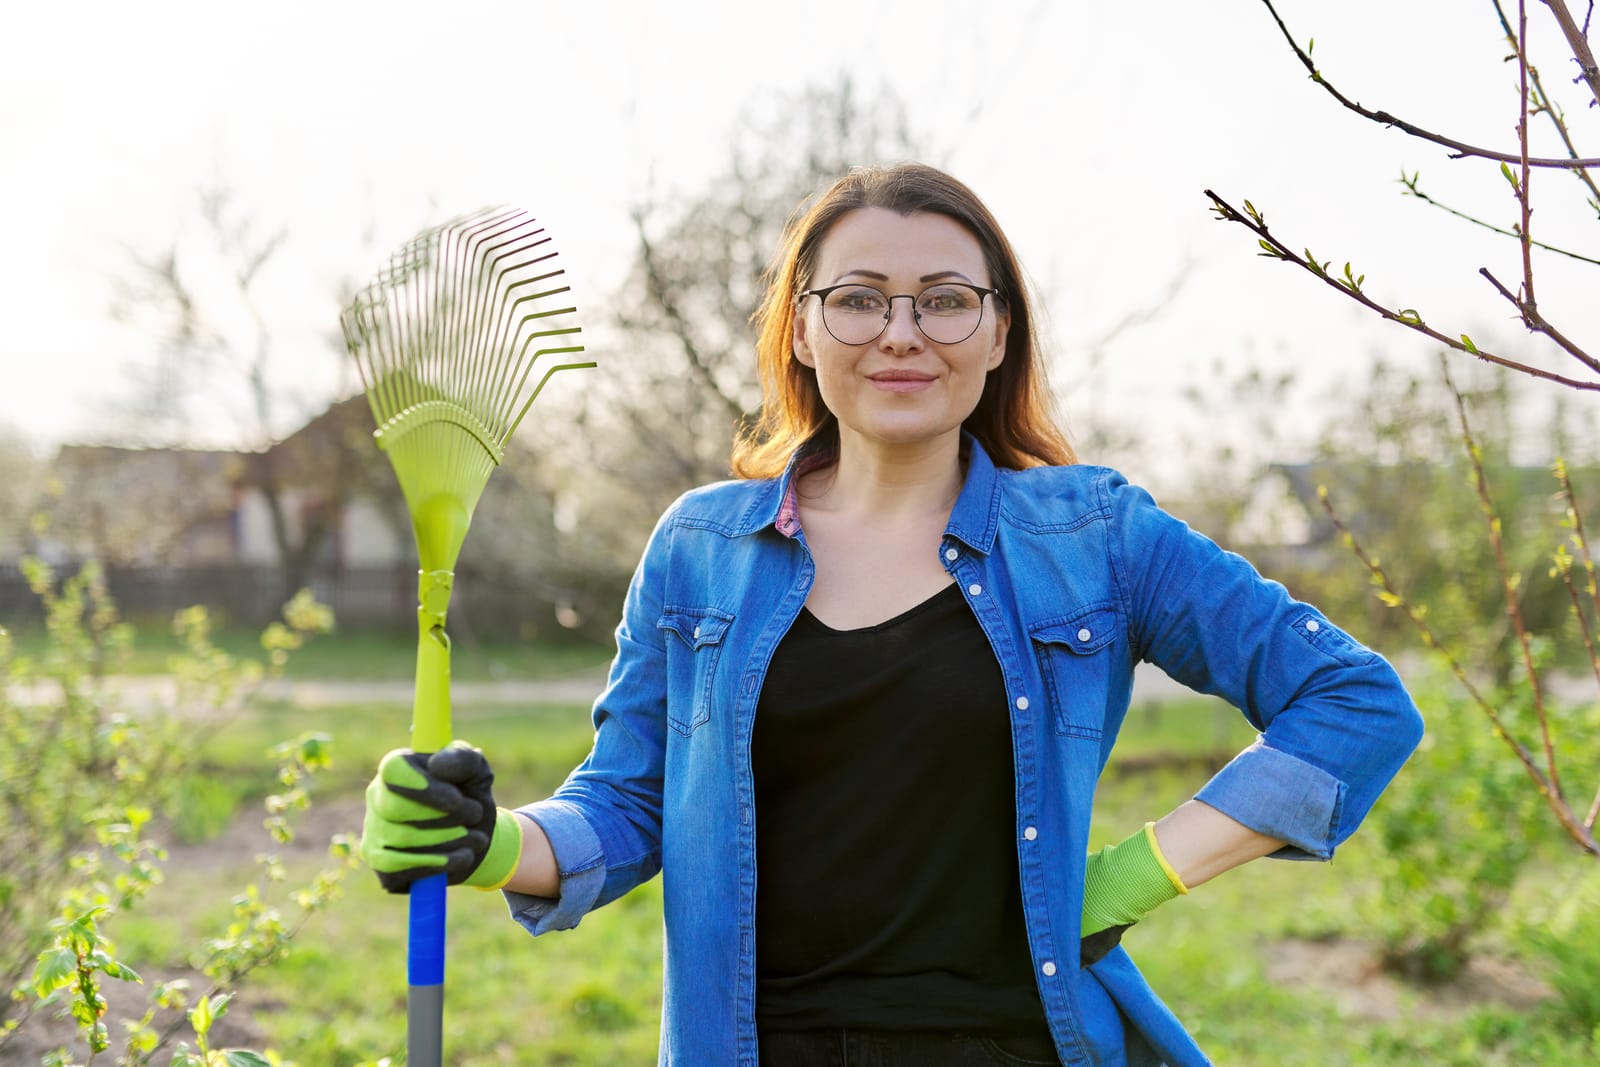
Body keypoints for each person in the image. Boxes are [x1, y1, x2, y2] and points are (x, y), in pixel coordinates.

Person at [361, 162, 1424, 1066]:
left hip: (1015, 1039)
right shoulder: (700, 549)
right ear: (804, 327)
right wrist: (489, 841)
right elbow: (630, 802)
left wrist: (1129, 876)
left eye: (946, 298)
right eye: (860, 298)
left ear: (998, 331)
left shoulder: (1093, 535)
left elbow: (1354, 702)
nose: (901, 333)